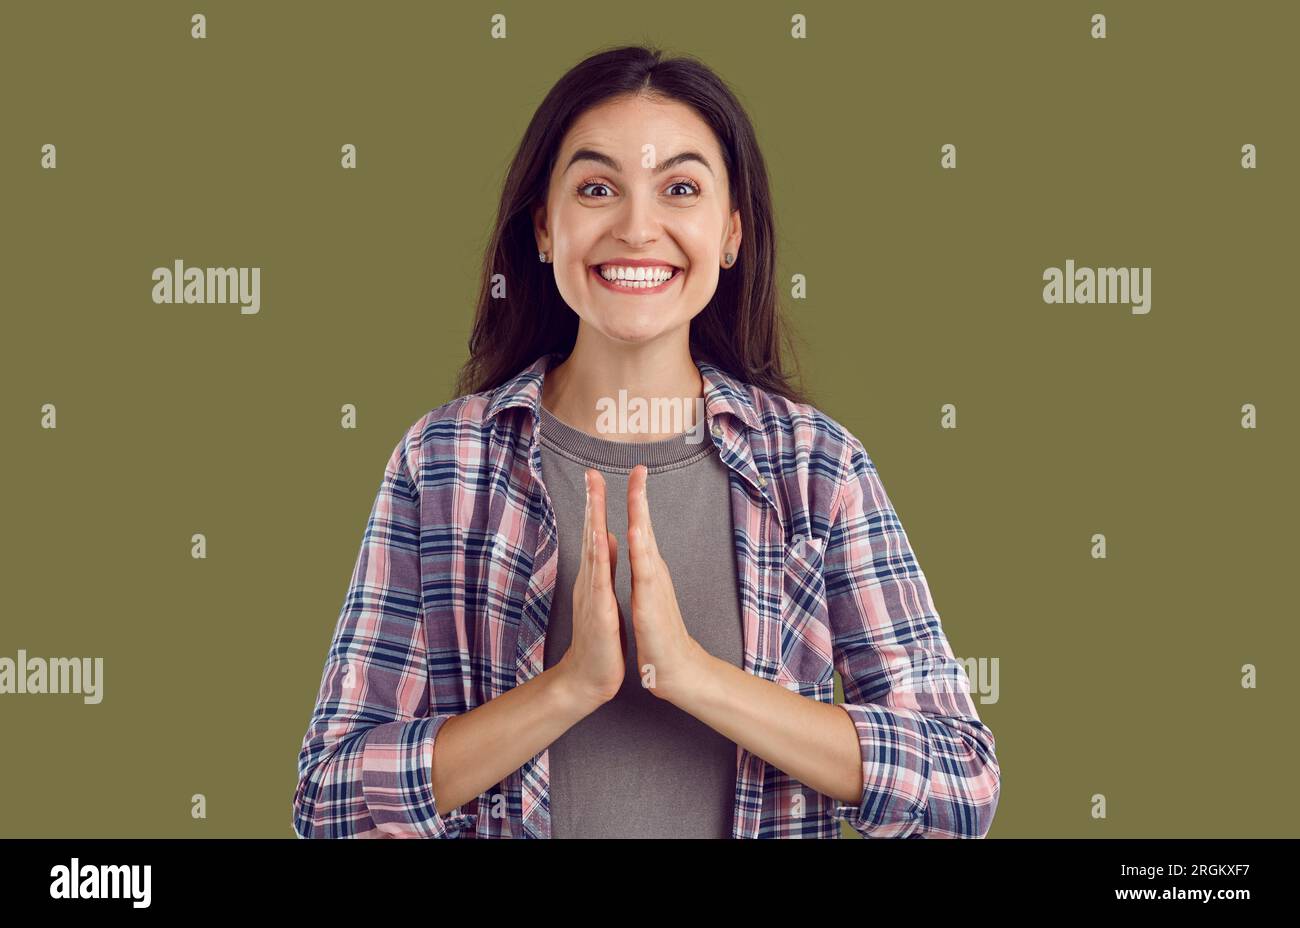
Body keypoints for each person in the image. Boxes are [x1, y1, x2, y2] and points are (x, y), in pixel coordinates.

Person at [293, 44, 1000, 839]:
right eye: (598, 188)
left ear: (730, 234)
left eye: (681, 189)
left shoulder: (816, 468)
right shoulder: (443, 463)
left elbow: (960, 784)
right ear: (544, 229)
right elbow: (329, 801)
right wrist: (566, 689)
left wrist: (697, 678)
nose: (637, 228)